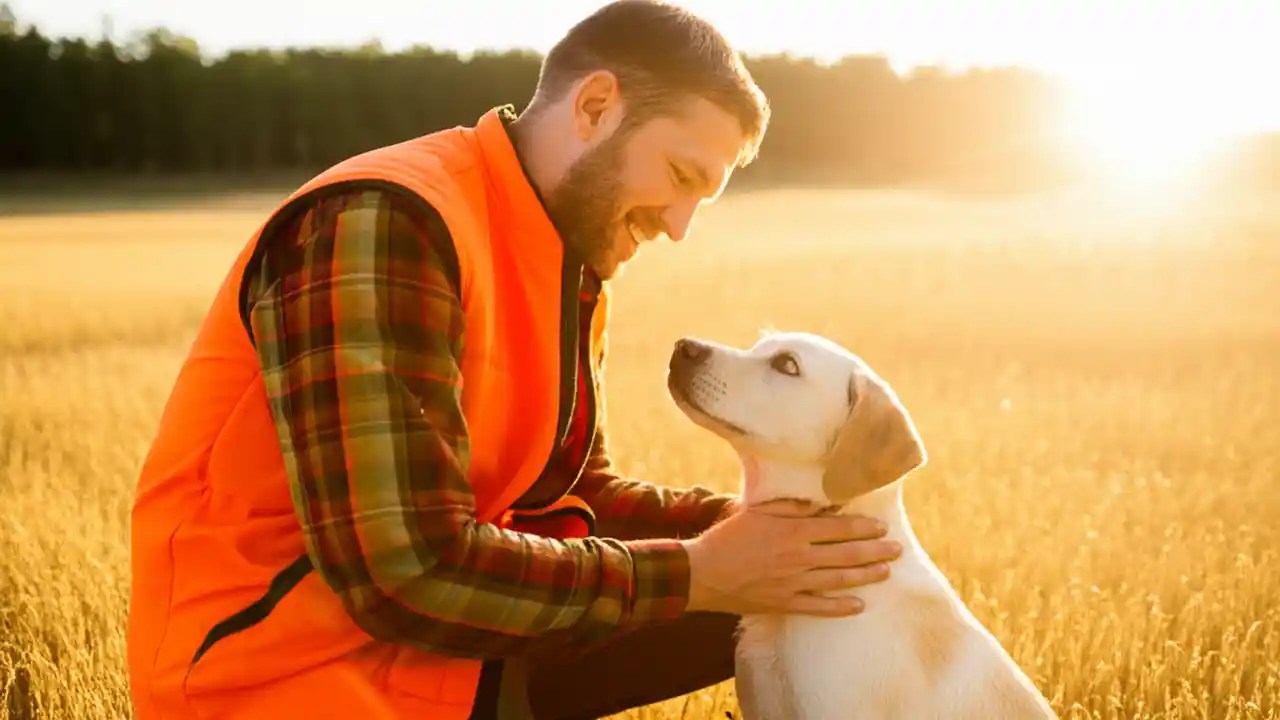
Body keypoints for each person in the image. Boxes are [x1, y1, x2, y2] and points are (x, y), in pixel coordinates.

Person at [126, 1, 902, 718]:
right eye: (679, 177)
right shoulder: (382, 221)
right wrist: (701, 571)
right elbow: (404, 571)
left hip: (437, 660)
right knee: (730, 588)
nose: (679, 225)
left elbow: (569, 495)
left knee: (801, 586)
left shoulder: (561, 254)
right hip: (280, 683)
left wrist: (767, 536)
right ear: (596, 107)